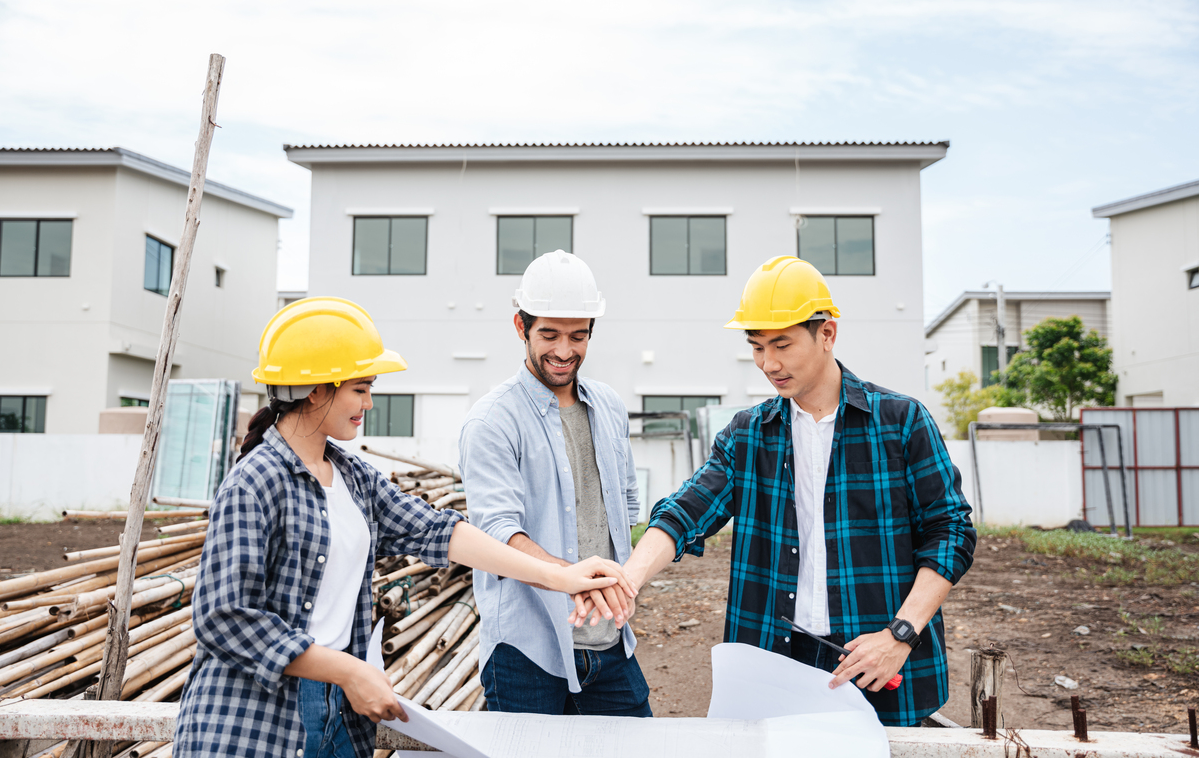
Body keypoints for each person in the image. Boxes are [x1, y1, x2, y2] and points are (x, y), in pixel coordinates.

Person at [175, 297, 634, 758]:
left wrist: (561, 577)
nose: (369, 402)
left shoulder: (352, 478)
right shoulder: (255, 482)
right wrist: (348, 671)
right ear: (315, 390)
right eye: (360, 388)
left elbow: (441, 531)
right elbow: (223, 617)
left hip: (338, 711)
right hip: (254, 721)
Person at [617, 256, 976, 727]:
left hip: (874, 655)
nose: (769, 363)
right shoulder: (749, 435)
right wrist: (628, 581)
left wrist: (901, 633)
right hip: (774, 654)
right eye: (758, 346)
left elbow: (950, 530)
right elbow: (686, 513)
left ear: (826, 333)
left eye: (782, 344)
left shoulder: (901, 422)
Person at [460, 250, 649, 717]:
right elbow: (498, 533)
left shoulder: (608, 407)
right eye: (549, 334)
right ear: (521, 327)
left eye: (578, 336)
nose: (564, 351)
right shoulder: (492, 421)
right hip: (527, 651)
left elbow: (625, 506)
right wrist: (568, 579)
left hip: (609, 642)